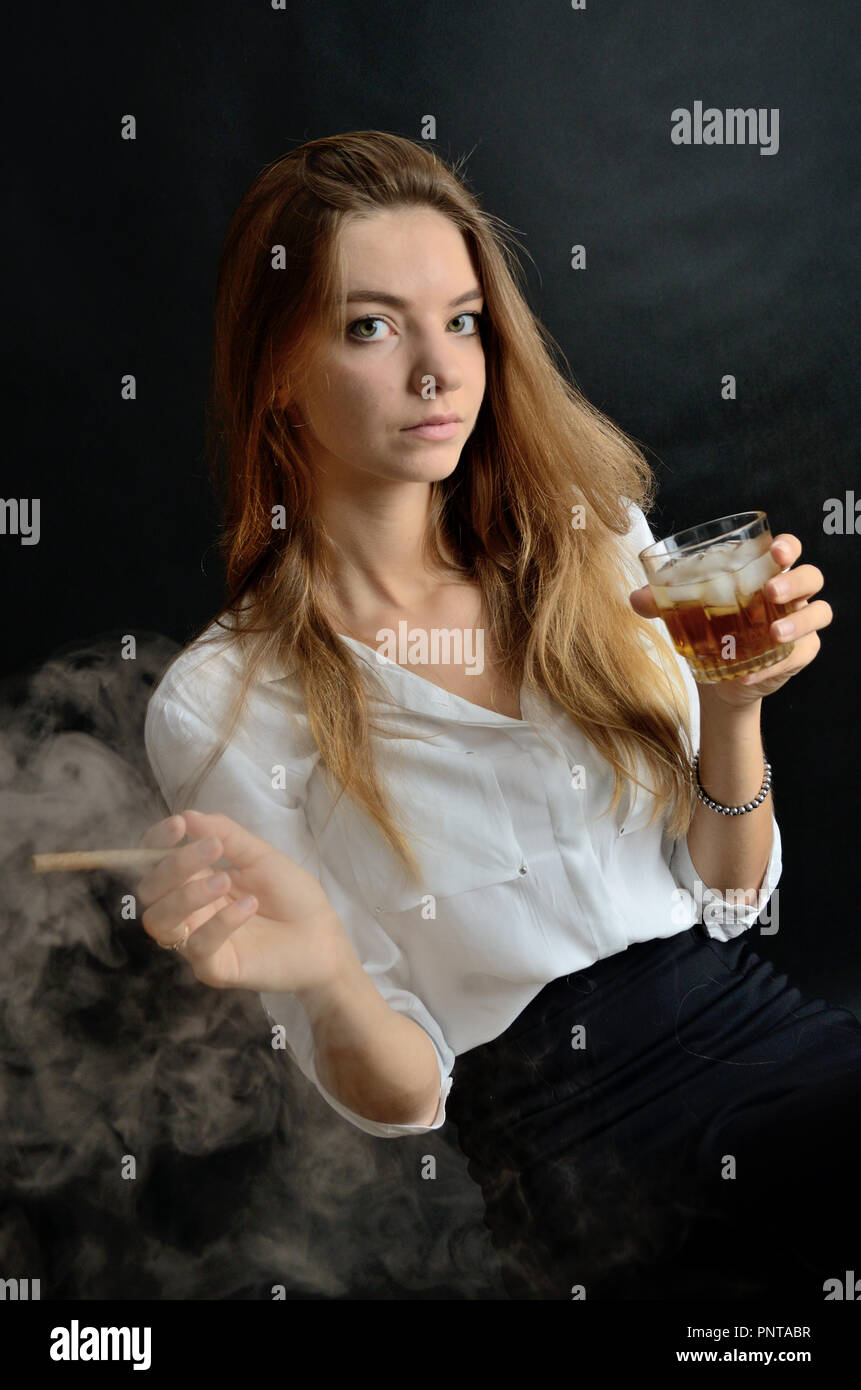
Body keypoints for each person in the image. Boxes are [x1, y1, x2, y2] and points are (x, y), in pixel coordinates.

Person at [138, 130, 859, 1300]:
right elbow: (406, 1090)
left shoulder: (595, 542)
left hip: (782, 1051)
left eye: (463, 320)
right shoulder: (221, 707)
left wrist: (732, 712)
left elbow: (728, 900)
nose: (440, 370)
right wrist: (324, 966)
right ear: (275, 366)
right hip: (588, 1173)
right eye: (373, 326)